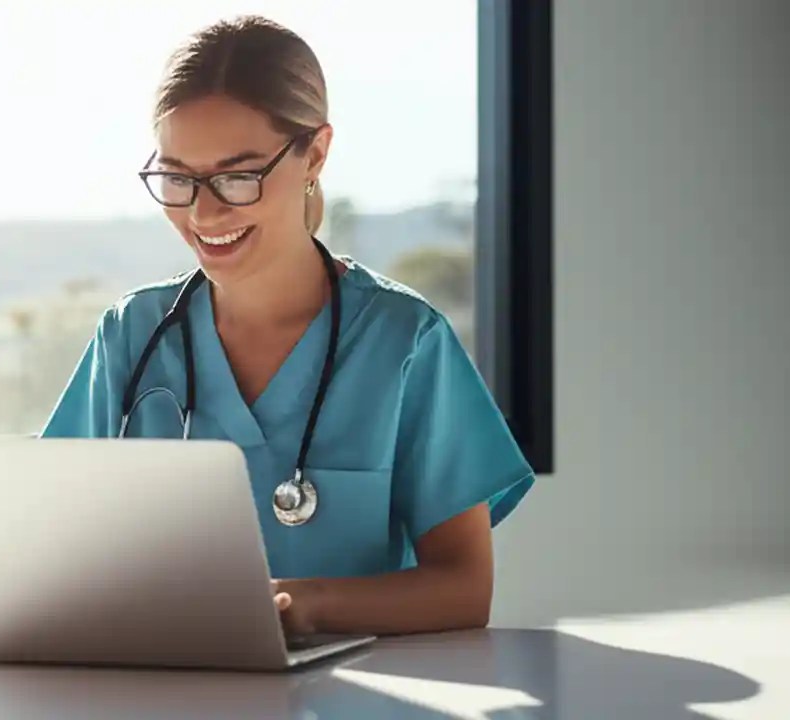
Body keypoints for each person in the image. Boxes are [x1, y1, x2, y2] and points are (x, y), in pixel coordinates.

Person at [41, 15, 534, 637]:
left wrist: (302, 607)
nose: (204, 210)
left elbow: (463, 589)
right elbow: (51, 552)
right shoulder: (130, 337)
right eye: (177, 178)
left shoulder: (403, 342)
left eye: (237, 176)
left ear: (315, 155)